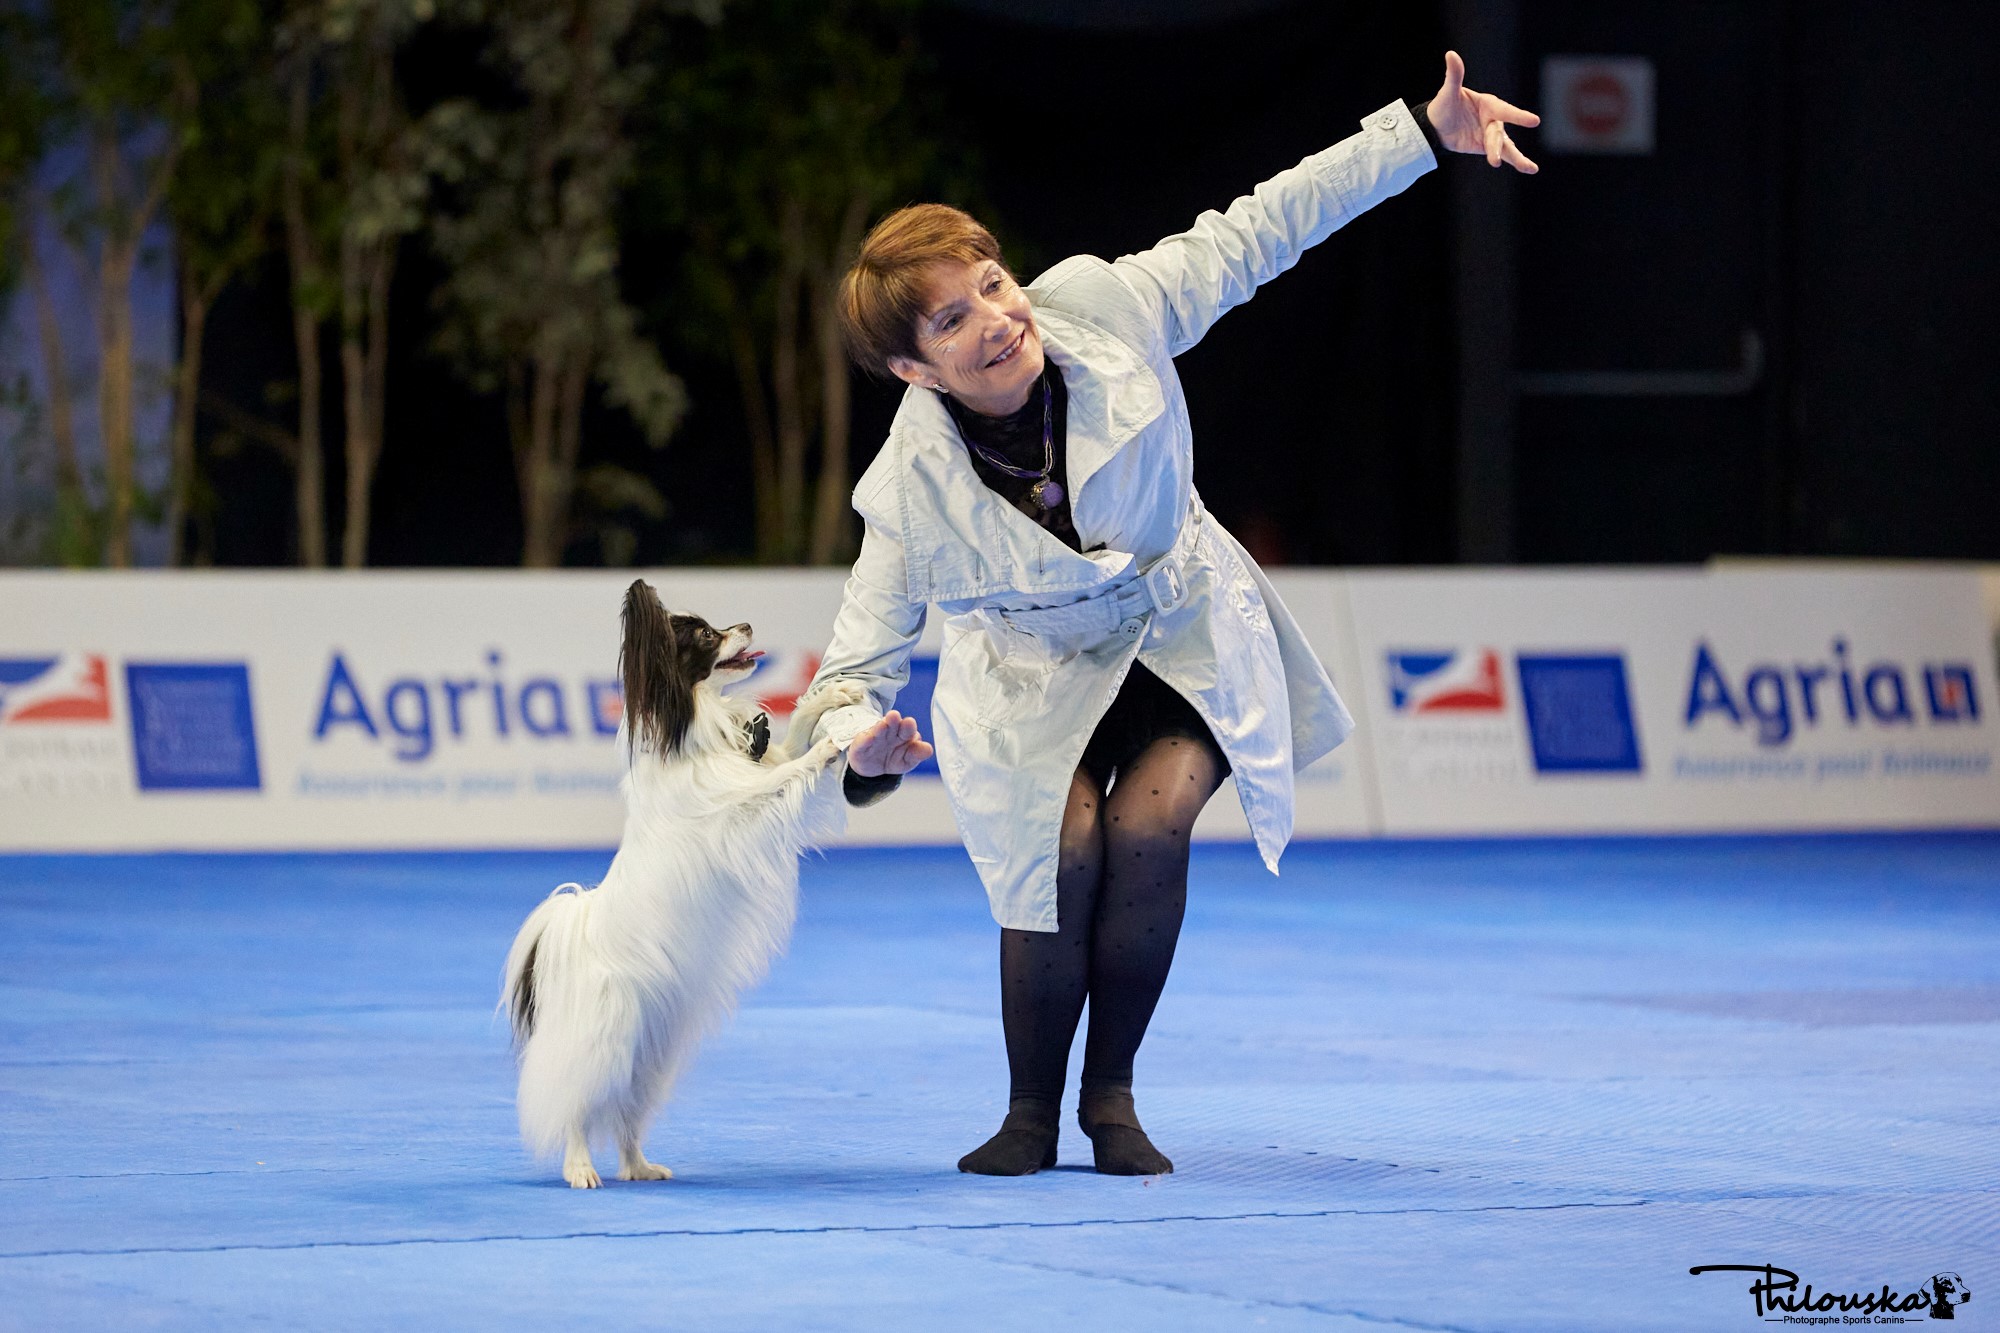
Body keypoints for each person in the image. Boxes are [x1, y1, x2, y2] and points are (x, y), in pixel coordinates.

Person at [805, 52, 1539, 1176]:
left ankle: (1110, 1101)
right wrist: (861, 739)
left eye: (992, 283)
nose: (996, 320)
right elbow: (852, 663)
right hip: (1032, 682)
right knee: (1061, 848)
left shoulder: (1103, 305)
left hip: (1175, 634)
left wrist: (1414, 134)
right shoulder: (906, 493)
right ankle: (1027, 1117)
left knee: (1145, 831)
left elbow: (1258, 229)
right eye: (953, 321)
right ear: (914, 369)